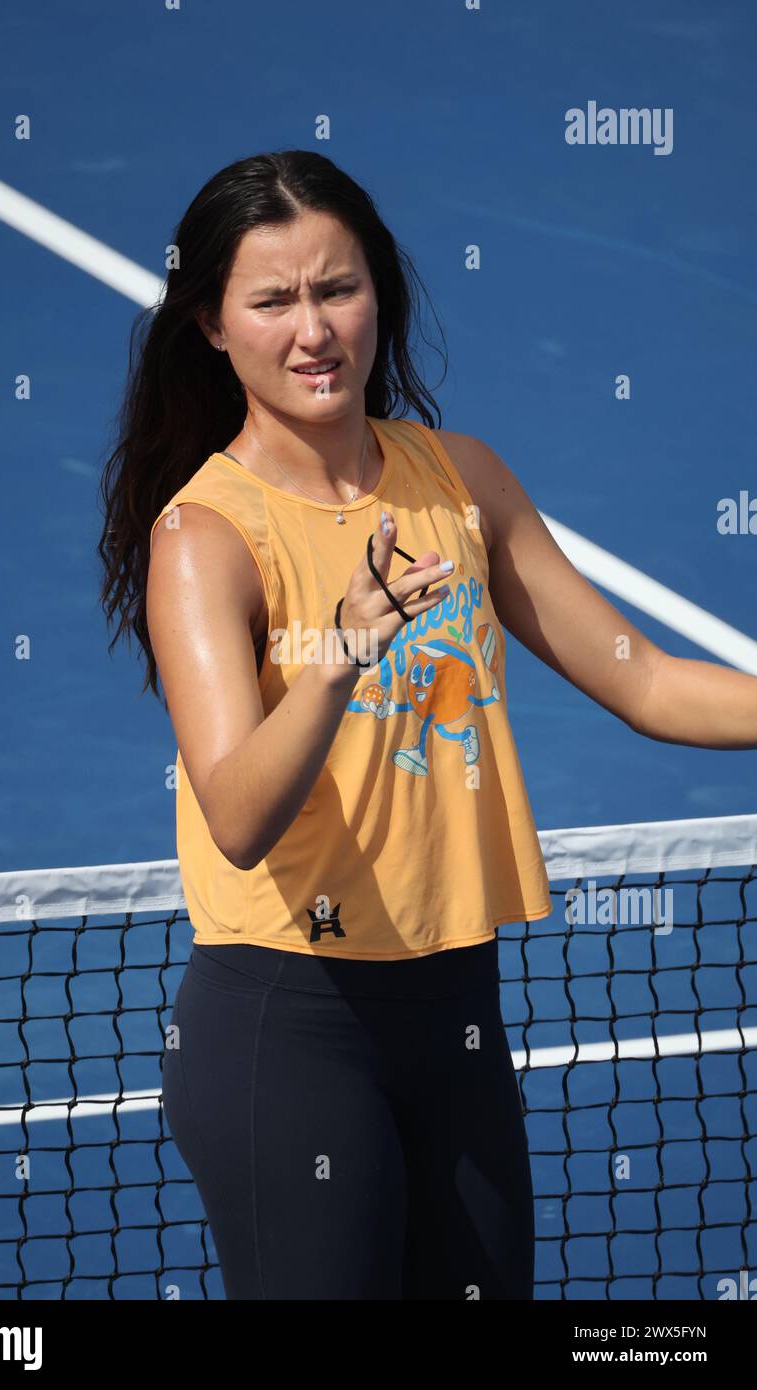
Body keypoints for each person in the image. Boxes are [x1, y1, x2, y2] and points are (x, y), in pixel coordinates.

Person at [98, 150, 757, 1301]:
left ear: (379, 296)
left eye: (337, 288)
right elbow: (238, 813)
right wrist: (339, 659)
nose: (314, 330)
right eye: (272, 300)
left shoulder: (458, 481)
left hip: (455, 1015)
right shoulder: (202, 541)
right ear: (210, 324)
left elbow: (643, 678)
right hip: (289, 1028)